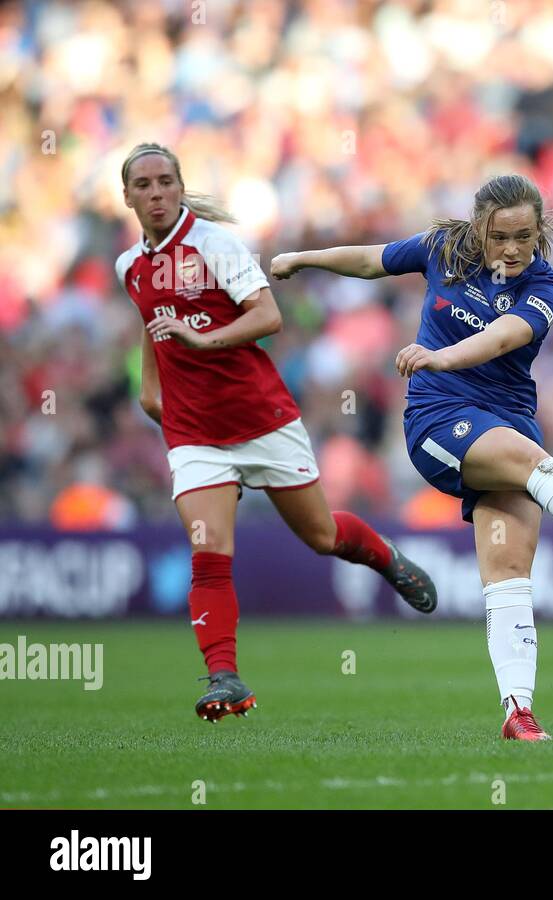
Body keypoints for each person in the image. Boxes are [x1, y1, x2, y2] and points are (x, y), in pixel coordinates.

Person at [271, 174, 553, 741]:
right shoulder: (442, 250)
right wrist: (303, 257)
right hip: (439, 419)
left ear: (539, 231)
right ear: (479, 228)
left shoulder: (547, 289)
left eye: (524, 236)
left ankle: (517, 711)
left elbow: (500, 338)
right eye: (501, 237)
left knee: (509, 576)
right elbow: (373, 260)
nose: (513, 249)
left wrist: (440, 354)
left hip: (507, 421)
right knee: (533, 466)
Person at [116, 143, 438, 723]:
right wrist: (149, 386)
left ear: (181, 187)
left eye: (166, 181)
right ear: (128, 197)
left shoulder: (214, 245)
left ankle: (385, 556)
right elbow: (151, 320)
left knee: (321, 536)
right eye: (144, 184)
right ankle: (225, 678)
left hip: (262, 419)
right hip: (194, 433)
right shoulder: (129, 267)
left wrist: (203, 341)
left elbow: (268, 316)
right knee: (208, 552)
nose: (157, 192)